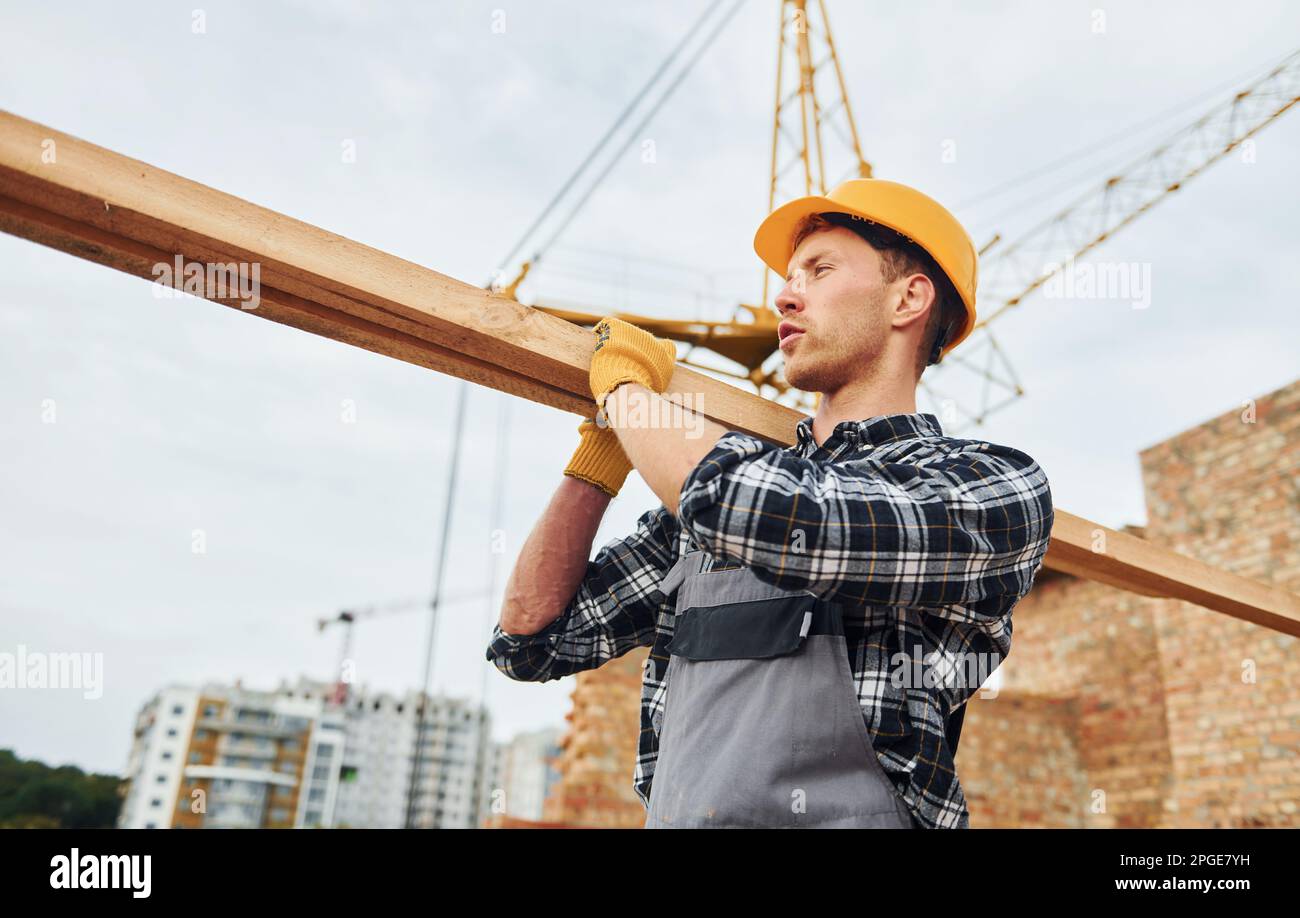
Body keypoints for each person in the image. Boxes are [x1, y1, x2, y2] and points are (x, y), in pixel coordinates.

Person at [486, 178, 1055, 829]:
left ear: (909, 298)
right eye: (789, 276)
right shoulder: (700, 521)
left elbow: (781, 517)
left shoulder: (987, 489)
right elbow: (530, 640)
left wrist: (627, 394)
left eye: (819, 270)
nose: (783, 295)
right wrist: (601, 456)